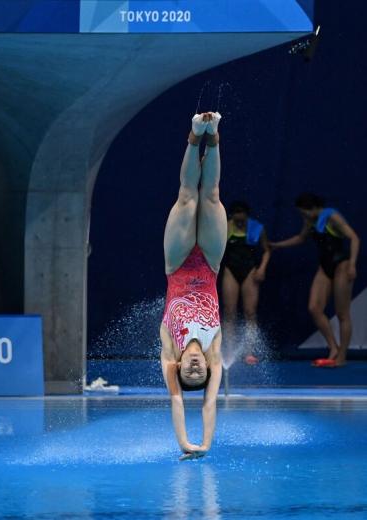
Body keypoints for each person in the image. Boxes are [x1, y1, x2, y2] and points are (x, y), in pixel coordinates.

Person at [160, 112, 225, 461]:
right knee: (211, 197)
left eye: (191, 373)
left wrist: (185, 442)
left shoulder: (170, 350)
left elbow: (176, 400)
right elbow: (210, 402)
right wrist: (205, 444)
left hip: (177, 262)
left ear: (181, 368)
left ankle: (193, 134)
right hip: (210, 264)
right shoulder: (214, 351)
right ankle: (212, 135)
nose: (197, 369)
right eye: (201, 373)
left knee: (188, 197)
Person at [270, 194, 359, 367]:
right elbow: (301, 238)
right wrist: (277, 245)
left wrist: (353, 265)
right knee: (314, 308)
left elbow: (354, 238)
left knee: (342, 313)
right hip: (325, 267)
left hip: (342, 264)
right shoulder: (310, 221)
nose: (302, 216)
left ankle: (341, 357)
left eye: (303, 212)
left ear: (312, 208)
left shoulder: (332, 215)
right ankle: (333, 347)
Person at [220, 201, 271, 364]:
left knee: (250, 312)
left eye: (242, 220)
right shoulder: (226, 227)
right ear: (232, 216)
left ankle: (249, 351)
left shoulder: (257, 228)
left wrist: (262, 268)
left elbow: (267, 250)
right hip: (230, 270)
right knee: (229, 312)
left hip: (250, 271)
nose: (240, 222)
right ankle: (228, 350)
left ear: (247, 216)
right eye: (237, 219)